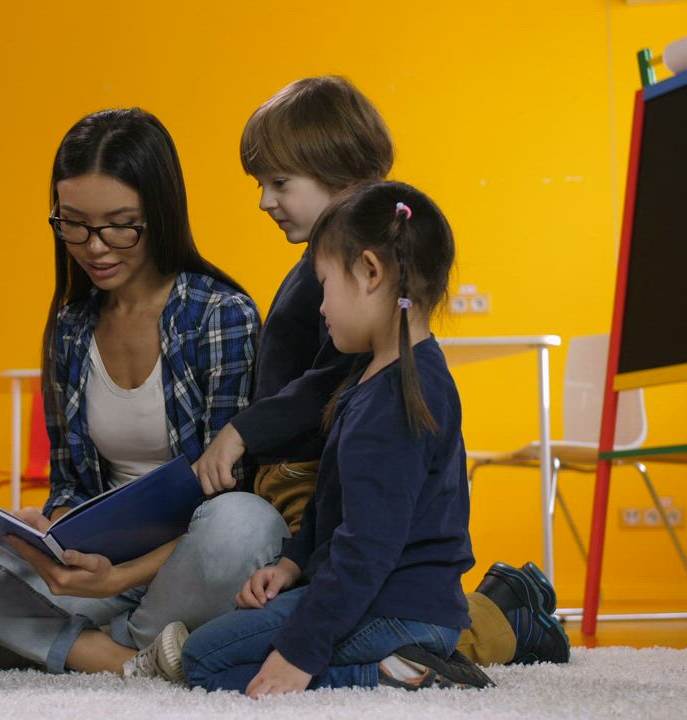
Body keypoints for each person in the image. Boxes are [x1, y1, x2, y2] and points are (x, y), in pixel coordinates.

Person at [0, 108, 288, 677]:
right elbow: (73, 484)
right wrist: (48, 527)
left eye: (120, 225)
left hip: (179, 569)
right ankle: (125, 656)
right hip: (84, 576)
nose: (95, 247)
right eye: (73, 224)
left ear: (160, 214)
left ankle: (74, 646)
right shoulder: (73, 326)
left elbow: (231, 493)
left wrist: (120, 577)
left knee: (246, 521)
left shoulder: (220, 316)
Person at [193, 76, 569, 668]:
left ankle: (504, 619)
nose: (265, 200)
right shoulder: (325, 276)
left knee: (370, 614)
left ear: (345, 183)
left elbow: (327, 386)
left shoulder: (363, 315)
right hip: (312, 490)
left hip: (320, 479)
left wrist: (246, 430)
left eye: (280, 183)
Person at [177, 181, 476, 694]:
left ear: (370, 272)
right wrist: (292, 563)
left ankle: (400, 675)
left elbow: (366, 549)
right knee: (215, 649)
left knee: (205, 659)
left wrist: (299, 654)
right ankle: (401, 662)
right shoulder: (381, 373)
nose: (320, 308)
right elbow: (332, 504)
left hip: (395, 609)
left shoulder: (394, 401)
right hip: (397, 601)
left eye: (324, 287)